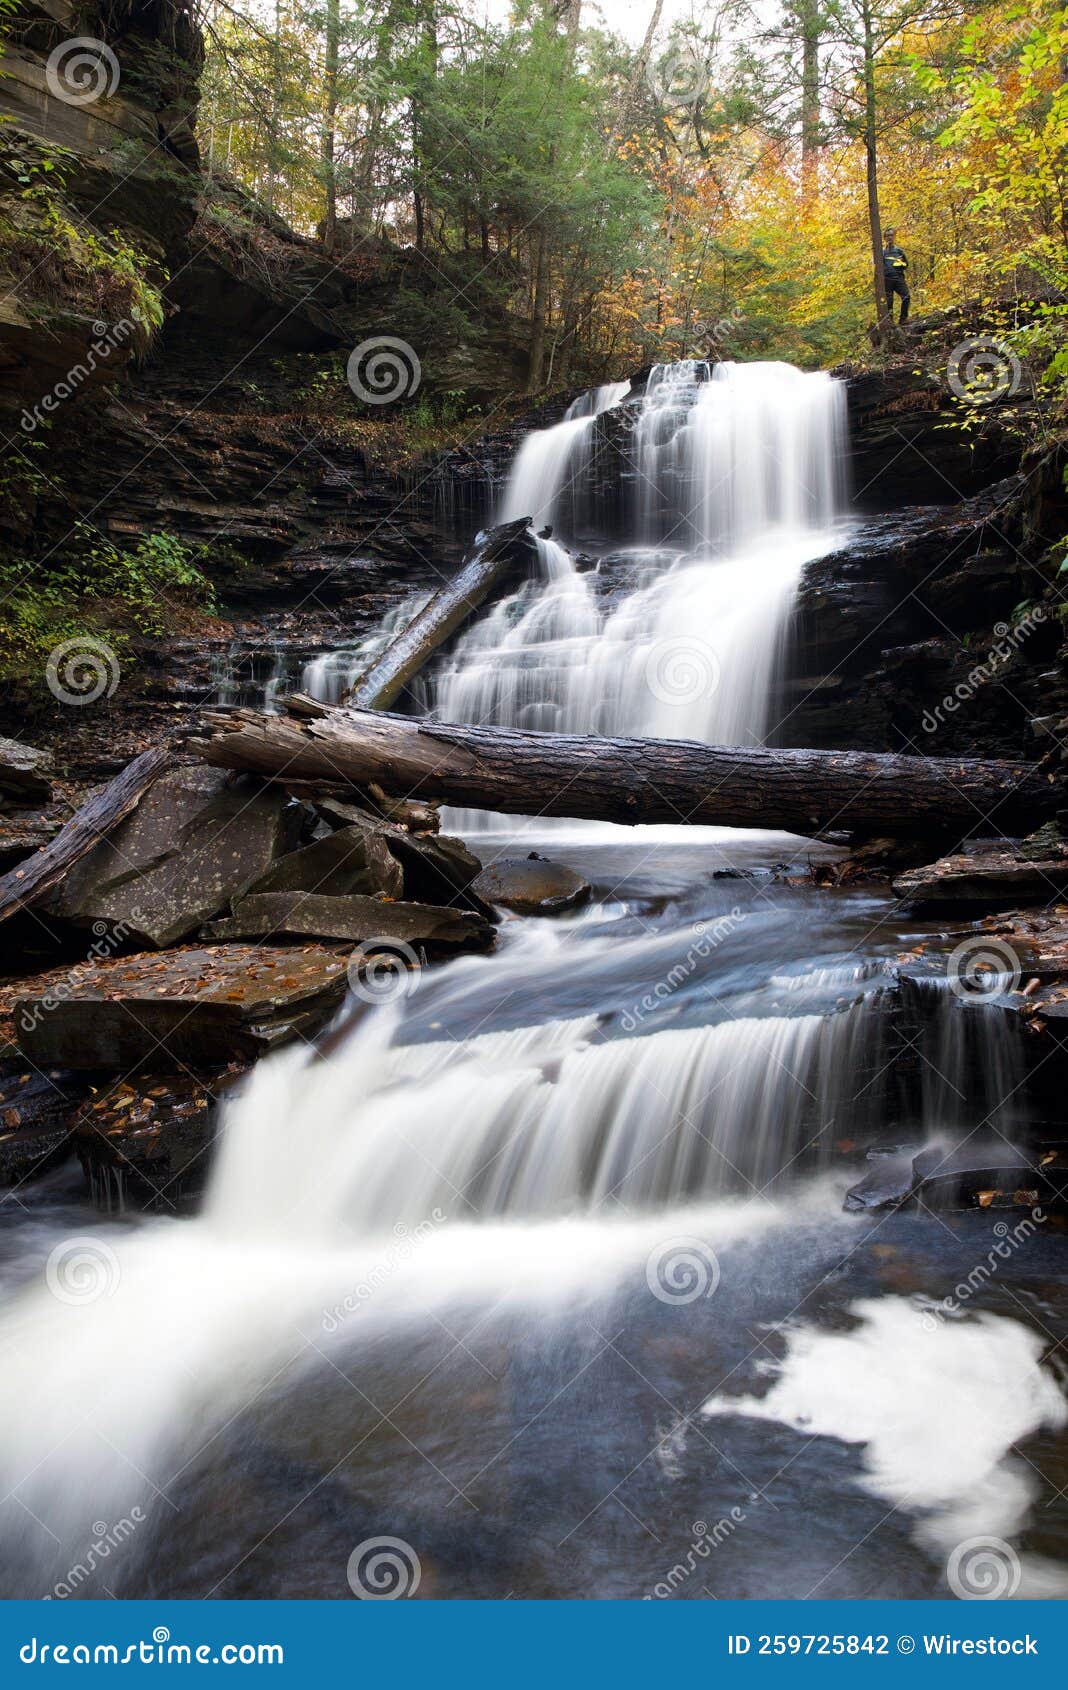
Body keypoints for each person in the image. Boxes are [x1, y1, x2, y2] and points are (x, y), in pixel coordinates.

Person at [882, 228, 910, 323]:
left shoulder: (899, 251)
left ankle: (903, 319)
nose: (889, 237)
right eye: (887, 236)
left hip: (899, 278)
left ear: (894, 236)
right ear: (884, 238)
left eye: (891, 235)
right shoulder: (882, 252)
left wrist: (900, 264)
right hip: (887, 280)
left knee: (906, 296)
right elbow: (877, 266)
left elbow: (906, 265)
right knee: (889, 302)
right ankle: (890, 322)